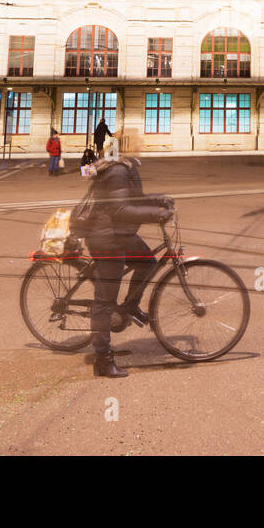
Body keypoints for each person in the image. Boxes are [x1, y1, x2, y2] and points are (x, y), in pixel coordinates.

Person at [69, 154, 173, 378]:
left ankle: (129, 307)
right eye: (138, 142)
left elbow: (133, 200)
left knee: (148, 262)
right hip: (106, 237)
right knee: (105, 301)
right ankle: (103, 360)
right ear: (127, 147)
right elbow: (120, 210)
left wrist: (159, 200)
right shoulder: (118, 171)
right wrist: (157, 215)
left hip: (120, 233)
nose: (143, 146)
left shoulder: (126, 167)